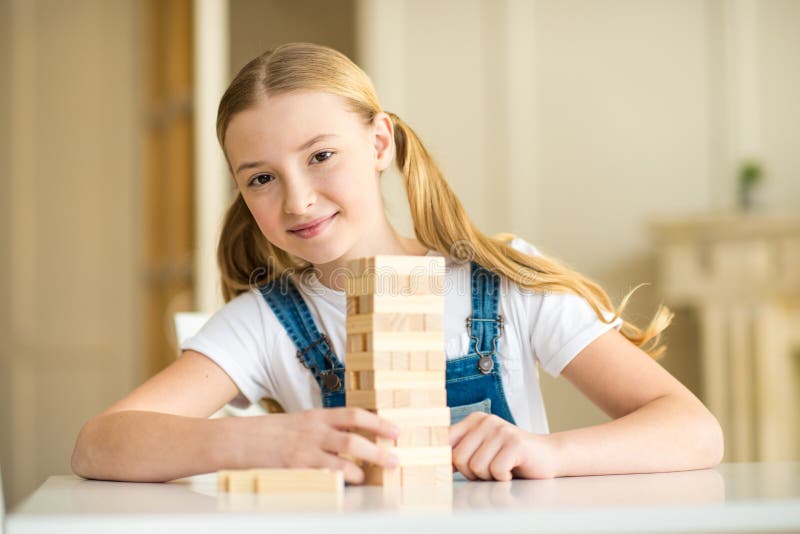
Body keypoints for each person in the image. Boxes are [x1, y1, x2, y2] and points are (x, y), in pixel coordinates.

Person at [71, 42, 723, 485]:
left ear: (378, 141)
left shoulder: (499, 281)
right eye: (261, 178)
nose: (297, 199)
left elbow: (694, 432)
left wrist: (546, 452)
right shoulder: (264, 323)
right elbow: (99, 444)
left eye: (321, 156)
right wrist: (262, 442)